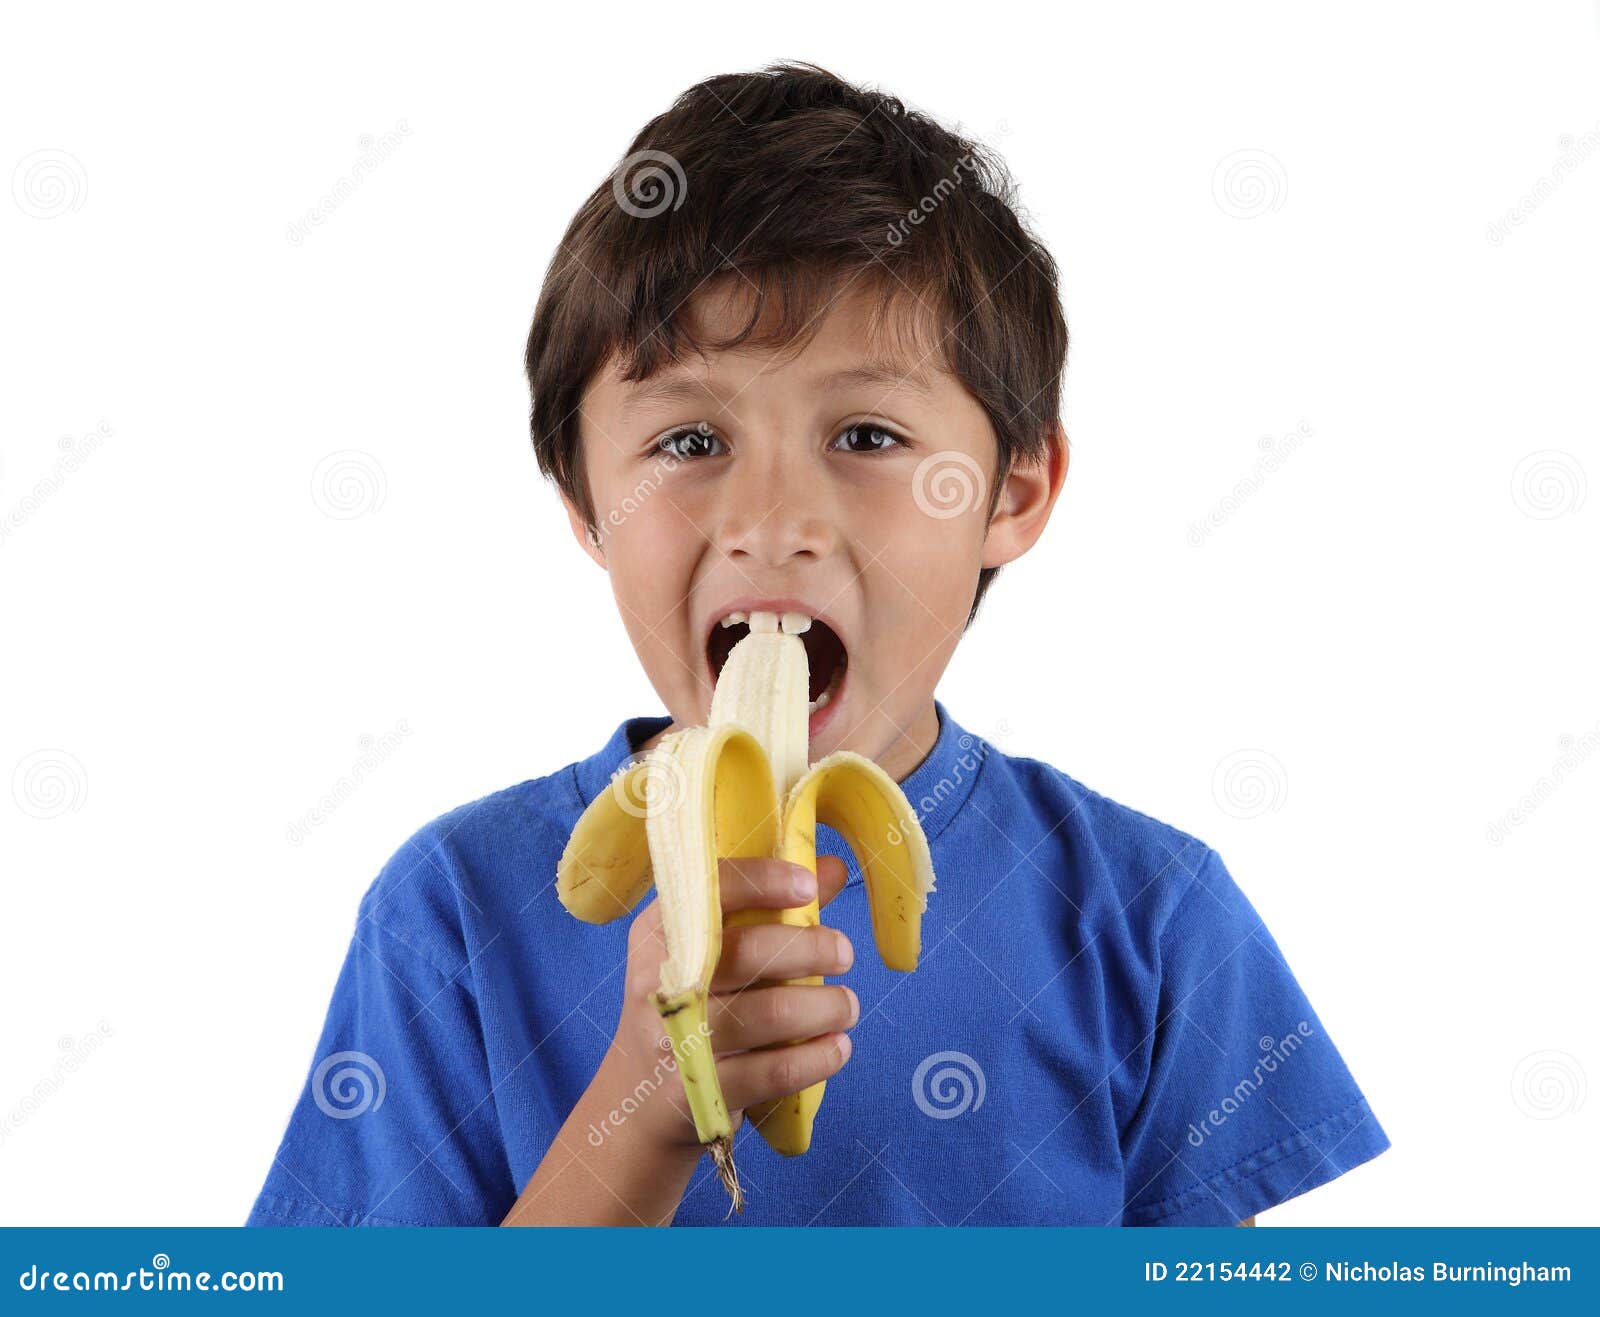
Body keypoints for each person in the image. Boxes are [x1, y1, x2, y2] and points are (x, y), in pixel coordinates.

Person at [247, 61, 1387, 1227]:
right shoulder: (452, 913)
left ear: (1015, 490)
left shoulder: (1149, 914)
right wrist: (643, 1113)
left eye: (866, 432)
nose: (775, 522)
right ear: (586, 506)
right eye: (689, 440)